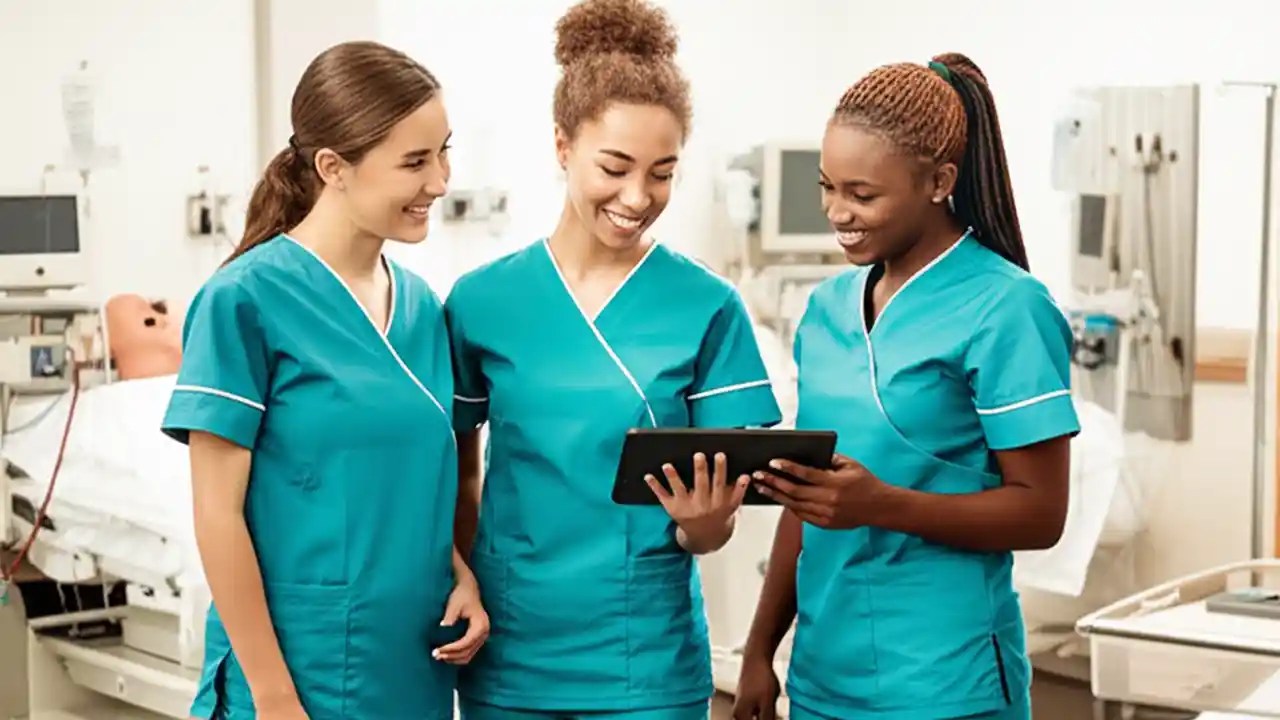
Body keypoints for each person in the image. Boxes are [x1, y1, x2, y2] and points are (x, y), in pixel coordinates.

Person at [445, 1, 782, 718]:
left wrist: (704, 523)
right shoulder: (482, 302)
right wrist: (473, 570)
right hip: (509, 645)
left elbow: (715, 524)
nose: (638, 197)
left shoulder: (708, 306)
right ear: (563, 147)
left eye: (662, 173)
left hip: (644, 656)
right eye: (615, 167)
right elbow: (458, 464)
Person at [732, 53, 1078, 720]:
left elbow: (1042, 514)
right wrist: (758, 651)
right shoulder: (827, 308)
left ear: (939, 181)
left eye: (863, 195)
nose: (838, 212)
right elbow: (812, 498)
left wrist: (881, 504)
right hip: (823, 680)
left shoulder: (1006, 308)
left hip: (945, 683)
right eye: (827, 187)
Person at [159, 41, 489, 720]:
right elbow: (216, 515)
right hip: (292, 675)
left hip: (410, 670)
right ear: (333, 168)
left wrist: (463, 574)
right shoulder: (244, 301)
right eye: (414, 162)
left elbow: (428, 484)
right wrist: (275, 697)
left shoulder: (425, 308)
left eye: (443, 152)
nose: (440, 181)